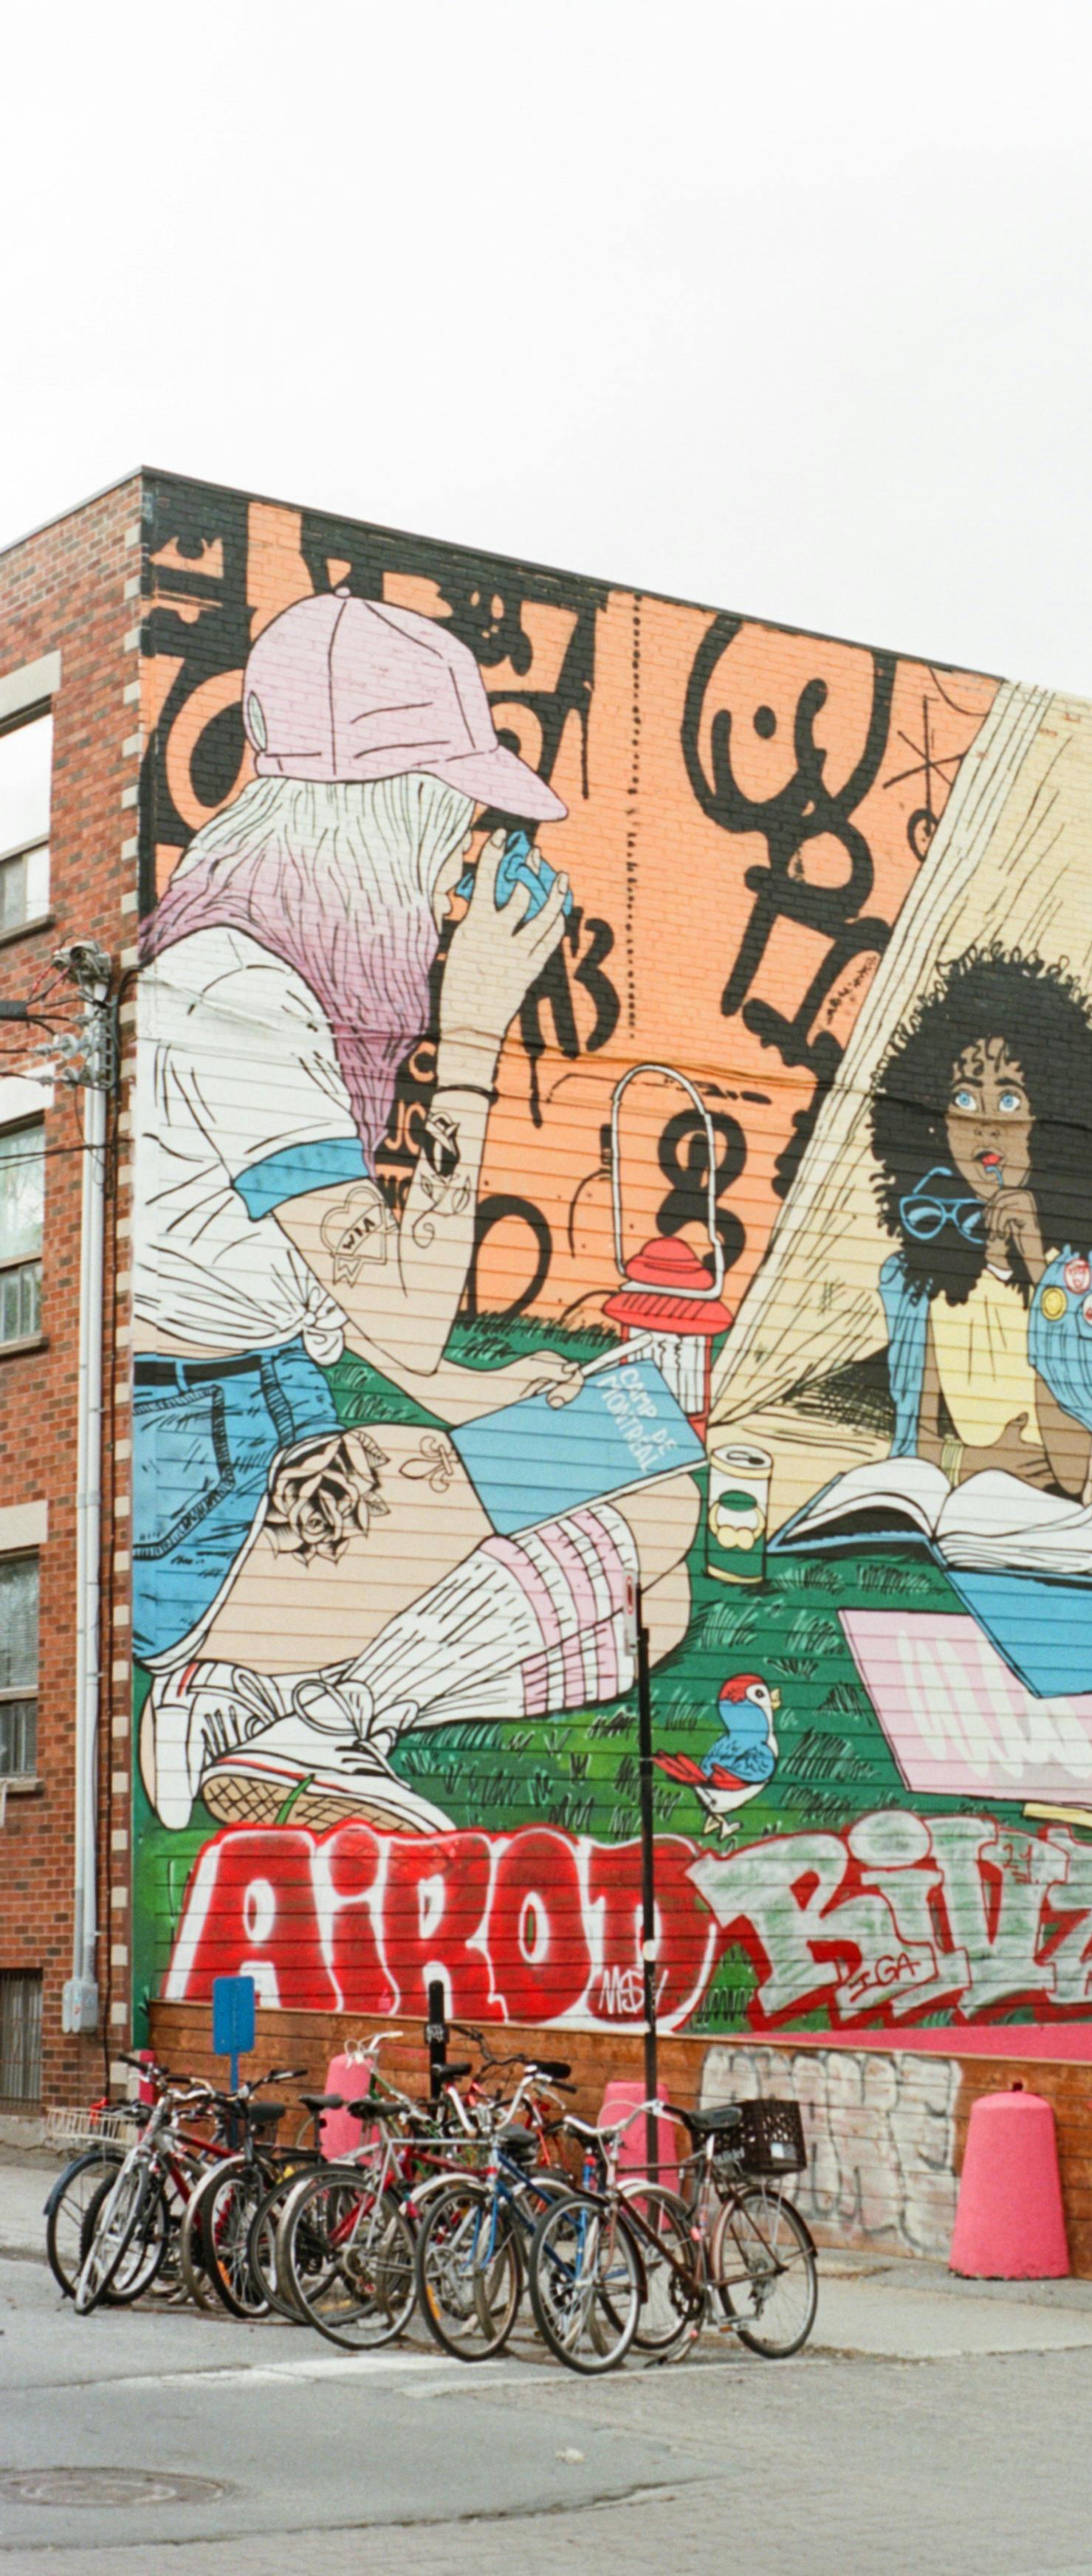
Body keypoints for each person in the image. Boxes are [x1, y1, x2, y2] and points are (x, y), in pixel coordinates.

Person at [132, 587, 696, 1837]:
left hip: (271, 1419)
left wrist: (461, 1393)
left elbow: (344, 1288)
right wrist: (477, 1021)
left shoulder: (282, 973)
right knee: (638, 1491)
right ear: (372, 812)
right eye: (449, 815)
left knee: (662, 1544)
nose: (457, 861)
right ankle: (266, 1700)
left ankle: (301, 1707)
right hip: (205, 1479)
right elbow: (392, 1288)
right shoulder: (232, 988)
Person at [868, 949, 1092, 1504]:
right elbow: (914, 1444)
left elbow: (1089, 1472)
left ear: (1054, 1117)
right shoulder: (916, 1279)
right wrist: (978, 1463)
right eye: (964, 1098)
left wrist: (1043, 1275)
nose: (987, 1124)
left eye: (1010, 1099)